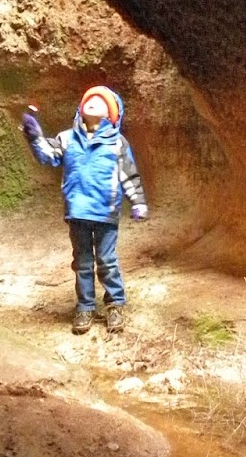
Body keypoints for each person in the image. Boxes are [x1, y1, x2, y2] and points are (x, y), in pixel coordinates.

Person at [21, 86, 148, 334]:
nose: (93, 101)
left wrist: (138, 202)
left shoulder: (116, 143)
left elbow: (128, 175)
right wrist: (34, 136)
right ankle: (85, 306)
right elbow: (49, 155)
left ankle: (115, 304)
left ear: (112, 114)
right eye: (89, 99)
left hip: (105, 212)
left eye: (101, 101)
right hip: (77, 211)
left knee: (107, 260)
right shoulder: (67, 138)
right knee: (82, 262)